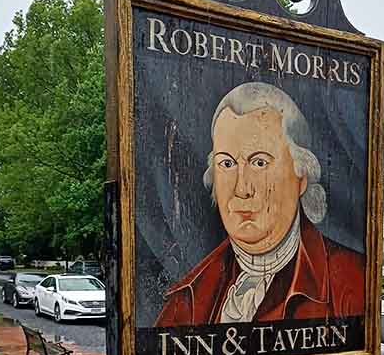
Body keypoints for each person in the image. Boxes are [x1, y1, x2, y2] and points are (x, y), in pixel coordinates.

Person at [155, 82, 364, 326]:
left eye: (260, 163)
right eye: (227, 164)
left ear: (301, 177)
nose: (241, 189)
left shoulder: (348, 280)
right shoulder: (187, 298)